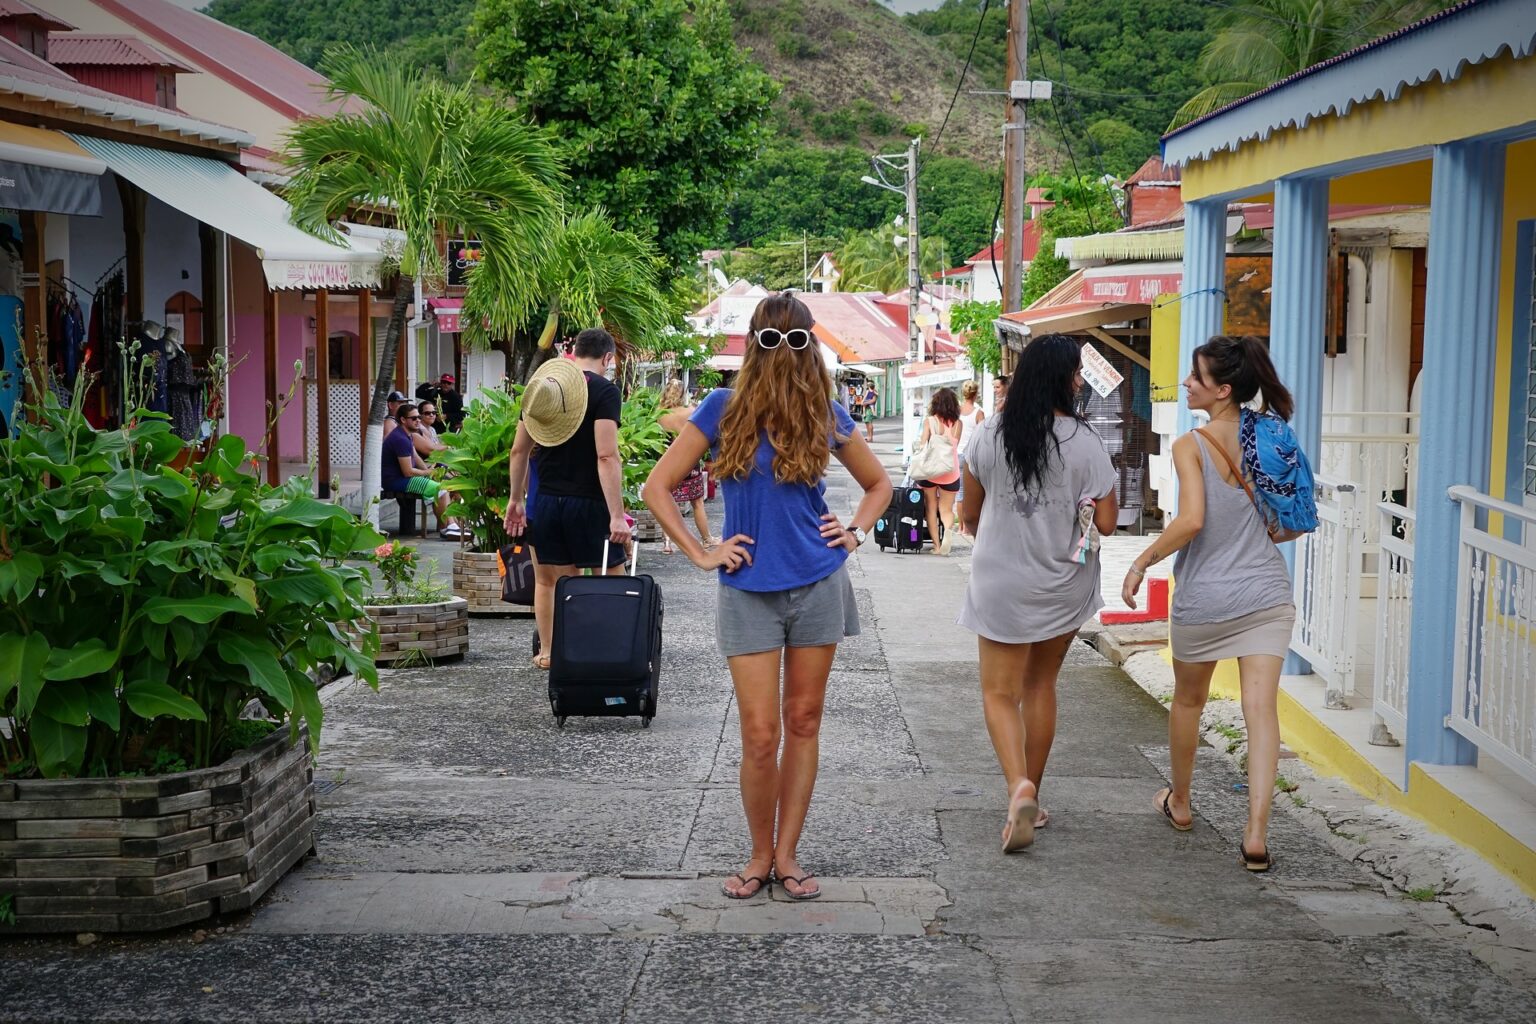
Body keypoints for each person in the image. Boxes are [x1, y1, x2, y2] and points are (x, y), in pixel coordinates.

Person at [643, 292, 892, 902]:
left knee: (803, 722)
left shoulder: (827, 411)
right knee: (760, 733)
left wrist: (854, 531)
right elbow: (657, 487)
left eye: (797, 338)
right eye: (771, 338)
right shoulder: (722, 408)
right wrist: (704, 552)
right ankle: (758, 854)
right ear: (754, 344)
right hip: (748, 588)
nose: (783, 349)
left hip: (817, 582)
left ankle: (787, 856)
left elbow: (880, 484)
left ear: (812, 347)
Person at [1121, 335, 1297, 872]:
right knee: (1261, 713)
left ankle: (1180, 802)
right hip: (1267, 594)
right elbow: (1287, 524)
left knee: (1189, 703)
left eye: (1195, 378)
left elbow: (1192, 520)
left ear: (1223, 391)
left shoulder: (1191, 446)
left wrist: (1141, 560)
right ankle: (1257, 832)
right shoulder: (1272, 436)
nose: (1185, 384)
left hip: (1206, 599)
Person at [958, 335, 1118, 852]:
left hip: (1001, 579)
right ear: (1063, 378)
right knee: (1041, 685)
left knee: (999, 693)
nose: (1079, 381)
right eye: (1076, 373)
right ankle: (1035, 795)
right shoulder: (1085, 441)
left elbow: (968, 514)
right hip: (1062, 584)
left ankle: (1016, 788)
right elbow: (1110, 523)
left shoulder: (988, 434)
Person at [503, 329, 630, 669]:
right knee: (609, 578)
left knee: (547, 581)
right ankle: (612, 652)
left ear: (573, 353)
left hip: (544, 501)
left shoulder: (545, 389)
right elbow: (606, 456)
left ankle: (548, 652)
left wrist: (516, 500)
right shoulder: (604, 391)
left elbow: (518, 451)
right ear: (608, 358)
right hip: (588, 501)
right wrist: (617, 515)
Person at [657, 379, 716, 555]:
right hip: (689, 462)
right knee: (697, 503)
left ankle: (667, 543)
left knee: (667, 502)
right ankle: (706, 539)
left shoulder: (660, 414)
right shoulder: (691, 411)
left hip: (668, 462)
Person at [382, 403, 454, 536]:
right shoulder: (400, 439)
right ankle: (448, 527)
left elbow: (416, 458)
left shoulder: (407, 434)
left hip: (403, 478)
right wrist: (428, 472)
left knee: (444, 484)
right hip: (397, 480)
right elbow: (408, 471)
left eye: (419, 418)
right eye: (414, 418)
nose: (418, 421)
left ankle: (449, 526)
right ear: (403, 420)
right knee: (440, 489)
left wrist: (429, 472)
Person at [914, 387, 963, 555]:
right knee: (946, 509)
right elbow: (954, 445)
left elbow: (923, 445)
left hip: (931, 471)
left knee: (930, 508)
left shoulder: (930, 421)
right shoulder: (958, 424)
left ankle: (936, 545)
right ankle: (948, 534)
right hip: (950, 471)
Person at [953, 380, 986, 528]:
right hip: (971, 456)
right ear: (976, 394)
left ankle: (961, 527)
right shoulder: (979, 413)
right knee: (971, 493)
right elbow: (984, 436)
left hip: (957, 453)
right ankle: (968, 527)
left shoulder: (957, 411)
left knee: (959, 494)